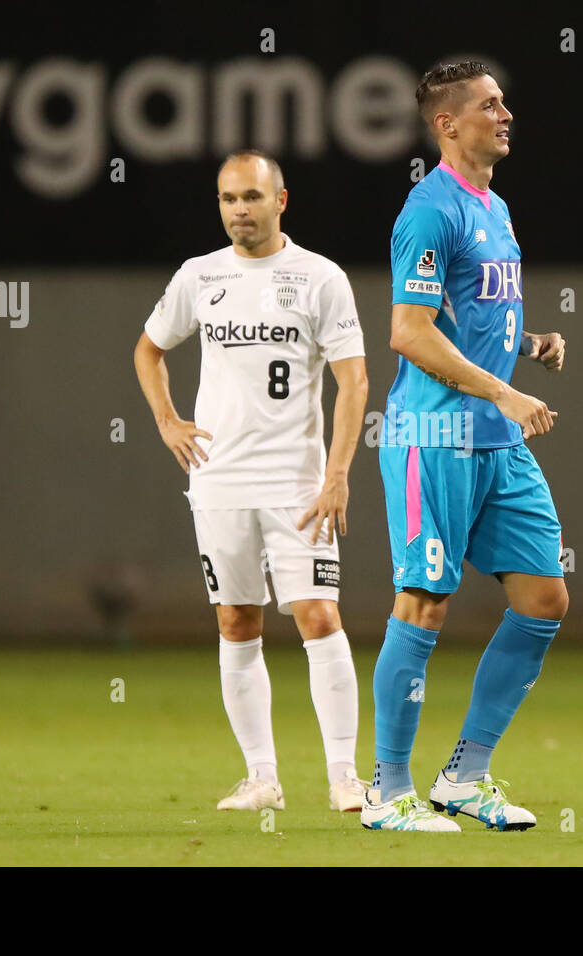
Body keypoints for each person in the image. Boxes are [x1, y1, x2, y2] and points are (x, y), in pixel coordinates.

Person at [362, 61, 569, 832]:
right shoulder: (430, 209)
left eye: (504, 101)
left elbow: (469, 326)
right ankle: (387, 791)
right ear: (447, 124)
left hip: (494, 438)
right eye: (490, 104)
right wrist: (504, 392)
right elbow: (409, 333)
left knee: (543, 598)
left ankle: (464, 775)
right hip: (434, 435)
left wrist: (530, 342)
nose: (506, 112)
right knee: (424, 600)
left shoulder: (497, 207)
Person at [133, 150, 370, 812]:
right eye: (228, 198)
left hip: (298, 485)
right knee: (237, 620)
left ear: (280, 201)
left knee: (319, 615)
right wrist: (167, 421)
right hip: (219, 483)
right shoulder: (200, 276)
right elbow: (149, 348)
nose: (239, 209)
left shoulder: (319, 278)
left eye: (251, 197)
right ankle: (262, 777)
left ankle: (345, 776)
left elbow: (354, 380)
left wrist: (338, 474)